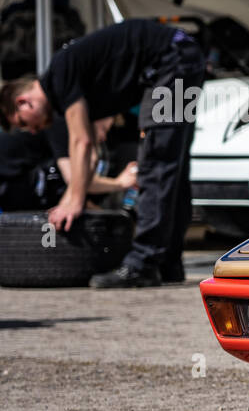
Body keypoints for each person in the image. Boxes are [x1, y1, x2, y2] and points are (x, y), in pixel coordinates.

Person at [0, 18, 204, 287]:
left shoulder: (58, 76)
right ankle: (168, 263)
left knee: (156, 162)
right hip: (182, 57)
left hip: (171, 61)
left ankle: (143, 263)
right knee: (170, 166)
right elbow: (91, 156)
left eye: (24, 124)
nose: (34, 130)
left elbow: (81, 143)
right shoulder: (77, 86)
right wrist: (78, 192)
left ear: (23, 102)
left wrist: (73, 201)